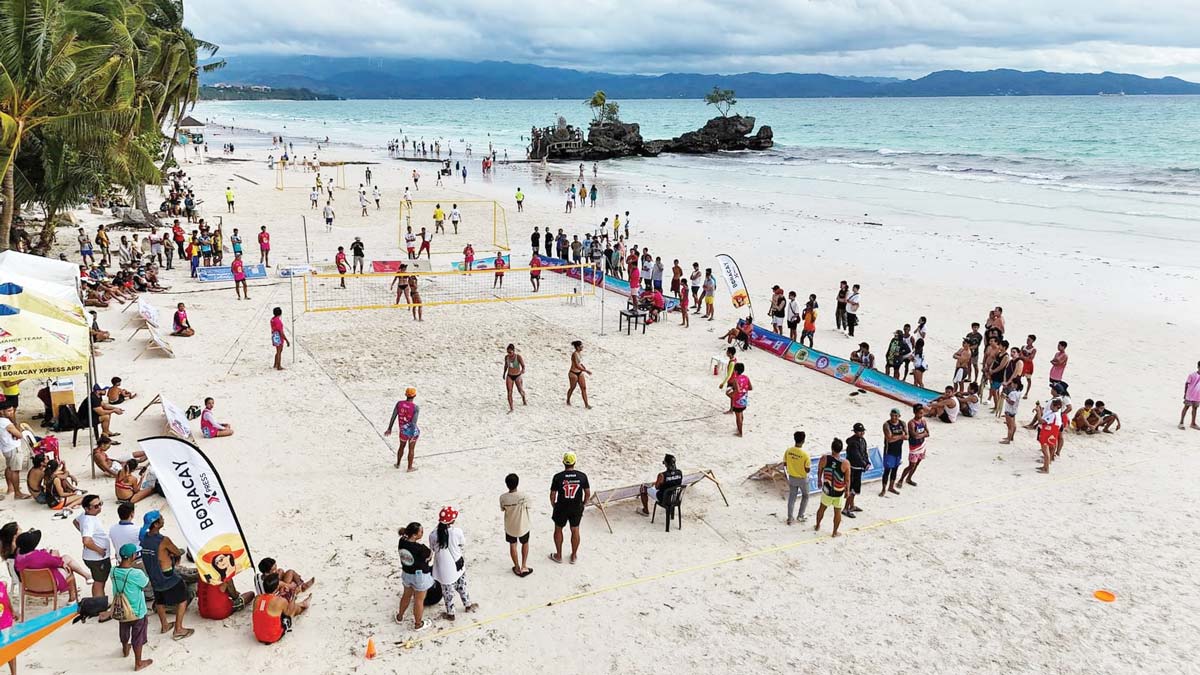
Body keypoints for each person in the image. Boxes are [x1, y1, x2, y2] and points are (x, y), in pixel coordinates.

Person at [139, 511, 194, 640]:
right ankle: (178, 629)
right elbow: (176, 551)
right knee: (183, 598)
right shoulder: (163, 540)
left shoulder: (144, 538)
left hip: (153, 573)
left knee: (159, 599)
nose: (163, 520)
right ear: (156, 524)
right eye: (161, 519)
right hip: (167, 574)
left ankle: (164, 625)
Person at [15, 528, 95, 597]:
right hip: (50, 584)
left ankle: (87, 576)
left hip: (31, 585)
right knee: (67, 561)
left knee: (64, 560)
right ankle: (73, 597)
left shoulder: (18, 557)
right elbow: (56, 562)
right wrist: (54, 554)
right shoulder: (40, 556)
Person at [430, 506, 476, 620]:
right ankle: (467, 604)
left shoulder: (433, 534)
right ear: (452, 520)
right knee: (462, 585)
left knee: (447, 592)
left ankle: (451, 613)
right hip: (458, 563)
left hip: (444, 568)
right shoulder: (457, 532)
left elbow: (433, 548)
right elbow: (462, 544)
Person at [112, 542, 153, 671]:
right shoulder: (136, 573)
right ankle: (138, 663)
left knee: (124, 629)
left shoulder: (113, 571)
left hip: (120, 608)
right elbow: (145, 583)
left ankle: (125, 649)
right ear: (132, 556)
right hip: (137, 610)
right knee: (138, 637)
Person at [549, 452, 590, 564]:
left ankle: (558, 555)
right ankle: (574, 555)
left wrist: (554, 505)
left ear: (564, 462)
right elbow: (587, 493)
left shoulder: (558, 477)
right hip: (576, 507)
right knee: (575, 530)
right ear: (574, 462)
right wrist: (584, 505)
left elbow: (552, 495)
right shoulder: (582, 476)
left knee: (558, 529)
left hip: (561, 506)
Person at [252, 573, 309, 644]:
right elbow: (289, 613)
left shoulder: (257, 598)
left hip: (258, 636)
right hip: (273, 637)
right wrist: (293, 596)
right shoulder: (280, 601)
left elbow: (266, 605)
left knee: (277, 610)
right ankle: (303, 605)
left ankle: (302, 604)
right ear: (277, 587)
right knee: (292, 610)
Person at [396, 522, 433, 630]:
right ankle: (418, 624)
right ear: (415, 535)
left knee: (406, 595)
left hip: (406, 573)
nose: (422, 533)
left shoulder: (402, 541)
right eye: (421, 532)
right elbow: (429, 556)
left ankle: (400, 617)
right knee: (419, 600)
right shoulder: (420, 548)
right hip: (419, 576)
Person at [74, 495, 111, 598]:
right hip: (97, 558)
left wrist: (83, 532)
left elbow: (75, 522)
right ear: (87, 508)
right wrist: (99, 550)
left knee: (99, 580)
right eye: (96, 506)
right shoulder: (89, 521)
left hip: (92, 557)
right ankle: (99, 604)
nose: (99, 507)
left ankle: (99, 601)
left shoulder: (84, 516)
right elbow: (86, 541)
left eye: (100, 504)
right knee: (99, 582)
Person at [813, 439, 849, 537]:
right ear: (841, 450)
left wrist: (819, 481)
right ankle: (834, 532)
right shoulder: (845, 463)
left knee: (822, 508)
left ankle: (817, 525)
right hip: (838, 490)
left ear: (832, 448)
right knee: (837, 511)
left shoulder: (824, 458)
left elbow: (819, 470)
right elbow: (847, 480)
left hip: (827, 489)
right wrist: (847, 491)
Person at [500, 474, 532, 577]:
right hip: (523, 526)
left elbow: (503, 509)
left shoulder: (503, 497)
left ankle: (517, 567)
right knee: (525, 543)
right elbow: (529, 507)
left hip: (510, 526)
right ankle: (524, 566)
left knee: (513, 545)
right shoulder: (524, 496)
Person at [385, 388, 421, 471]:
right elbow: (413, 422)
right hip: (411, 431)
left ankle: (398, 464)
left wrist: (389, 428)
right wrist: (412, 433)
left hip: (402, 430)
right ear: (414, 396)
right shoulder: (415, 407)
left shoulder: (399, 404)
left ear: (406, 395)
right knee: (411, 449)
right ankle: (409, 467)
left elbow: (393, 416)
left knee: (401, 447)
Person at [638, 453, 683, 518]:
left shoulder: (662, 475)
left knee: (643, 487)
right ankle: (671, 512)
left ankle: (645, 511)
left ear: (666, 464)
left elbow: (657, 487)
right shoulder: (679, 472)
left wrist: (654, 484)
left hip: (663, 498)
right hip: (674, 498)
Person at [898, 404, 928, 489]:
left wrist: (920, 435)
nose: (921, 415)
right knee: (911, 465)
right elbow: (915, 436)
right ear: (915, 413)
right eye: (920, 413)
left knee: (917, 463)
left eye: (922, 413)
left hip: (922, 445)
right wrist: (923, 434)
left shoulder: (923, 421)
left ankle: (909, 478)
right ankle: (901, 479)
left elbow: (928, 433)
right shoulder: (911, 423)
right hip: (914, 447)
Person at [783, 432, 810, 524]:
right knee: (805, 496)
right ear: (803, 441)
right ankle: (800, 516)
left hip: (792, 477)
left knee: (792, 498)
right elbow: (807, 470)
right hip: (802, 479)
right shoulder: (805, 454)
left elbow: (785, 464)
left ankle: (790, 518)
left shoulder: (788, 451)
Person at [843, 423, 869, 518]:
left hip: (858, 468)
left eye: (863, 431)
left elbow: (864, 453)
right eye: (859, 431)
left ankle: (852, 506)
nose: (862, 433)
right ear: (855, 432)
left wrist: (867, 462)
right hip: (853, 469)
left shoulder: (862, 440)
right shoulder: (853, 443)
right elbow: (856, 456)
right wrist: (864, 464)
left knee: (854, 489)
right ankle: (846, 509)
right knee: (852, 490)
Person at [880, 409, 907, 495]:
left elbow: (907, 436)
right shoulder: (886, 425)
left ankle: (891, 487)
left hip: (898, 451)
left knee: (895, 469)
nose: (894, 417)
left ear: (899, 416)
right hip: (889, 451)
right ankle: (883, 489)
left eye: (896, 416)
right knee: (887, 471)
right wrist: (901, 436)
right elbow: (889, 439)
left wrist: (896, 436)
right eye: (892, 415)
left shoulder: (902, 423)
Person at [0, 417, 26, 500]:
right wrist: (15, 424)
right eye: (9, 410)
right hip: (13, 447)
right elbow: (19, 435)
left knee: (9, 467)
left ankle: (10, 488)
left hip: (5, 448)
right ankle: (17, 493)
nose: (11, 412)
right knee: (15, 470)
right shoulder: (6, 422)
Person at [1037, 399, 1064, 473]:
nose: (1050, 406)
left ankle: (1046, 469)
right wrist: (1040, 410)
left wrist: (1038, 412)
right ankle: (1045, 466)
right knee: (1046, 450)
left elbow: (1041, 421)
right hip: (1047, 433)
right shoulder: (1052, 413)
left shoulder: (1054, 415)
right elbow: (1044, 417)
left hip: (1048, 434)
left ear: (1055, 406)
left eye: (1052, 405)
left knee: (1045, 451)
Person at [726, 362, 752, 437]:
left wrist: (729, 394)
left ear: (735, 371)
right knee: (741, 414)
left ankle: (740, 432)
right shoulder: (746, 377)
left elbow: (737, 391)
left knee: (738, 417)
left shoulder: (735, 379)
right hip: (744, 399)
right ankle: (739, 428)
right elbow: (750, 388)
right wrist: (744, 389)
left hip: (737, 400)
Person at [566, 340, 592, 409]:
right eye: (581, 346)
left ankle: (586, 404)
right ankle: (568, 400)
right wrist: (586, 371)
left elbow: (579, 363)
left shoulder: (579, 353)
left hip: (579, 372)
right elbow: (576, 365)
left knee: (583, 388)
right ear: (577, 347)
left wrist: (583, 366)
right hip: (573, 373)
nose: (582, 348)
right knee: (572, 388)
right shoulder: (574, 354)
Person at [503, 344, 527, 413]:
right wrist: (504, 373)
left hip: (517, 376)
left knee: (520, 390)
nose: (509, 354)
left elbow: (523, 366)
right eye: (508, 352)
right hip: (509, 376)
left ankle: (523, 398)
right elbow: (506, 366)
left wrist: (522, 370)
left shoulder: (518, 357)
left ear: (513, 351)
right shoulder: (506, 357)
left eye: (510, 352)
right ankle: (511, 408)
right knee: (509, 392)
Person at [1180, 361, 1200, 430]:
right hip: (1190, 395)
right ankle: (1181, 422)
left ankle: (1193, 423)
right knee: (1186, 407)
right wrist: (1185, 393)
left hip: (1197, 396)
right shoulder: (1192, 375)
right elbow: (1187, 384)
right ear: (1198, 367)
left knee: (1195, 408)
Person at [270, 307, 289, 371]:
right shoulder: (278, 322)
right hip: (278, 337)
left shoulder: (272, 319)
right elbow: (281, 332)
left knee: (278, 351)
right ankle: (279, 366)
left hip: (274, 335)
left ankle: (275, 364)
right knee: (279, 352)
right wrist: (286, 340)